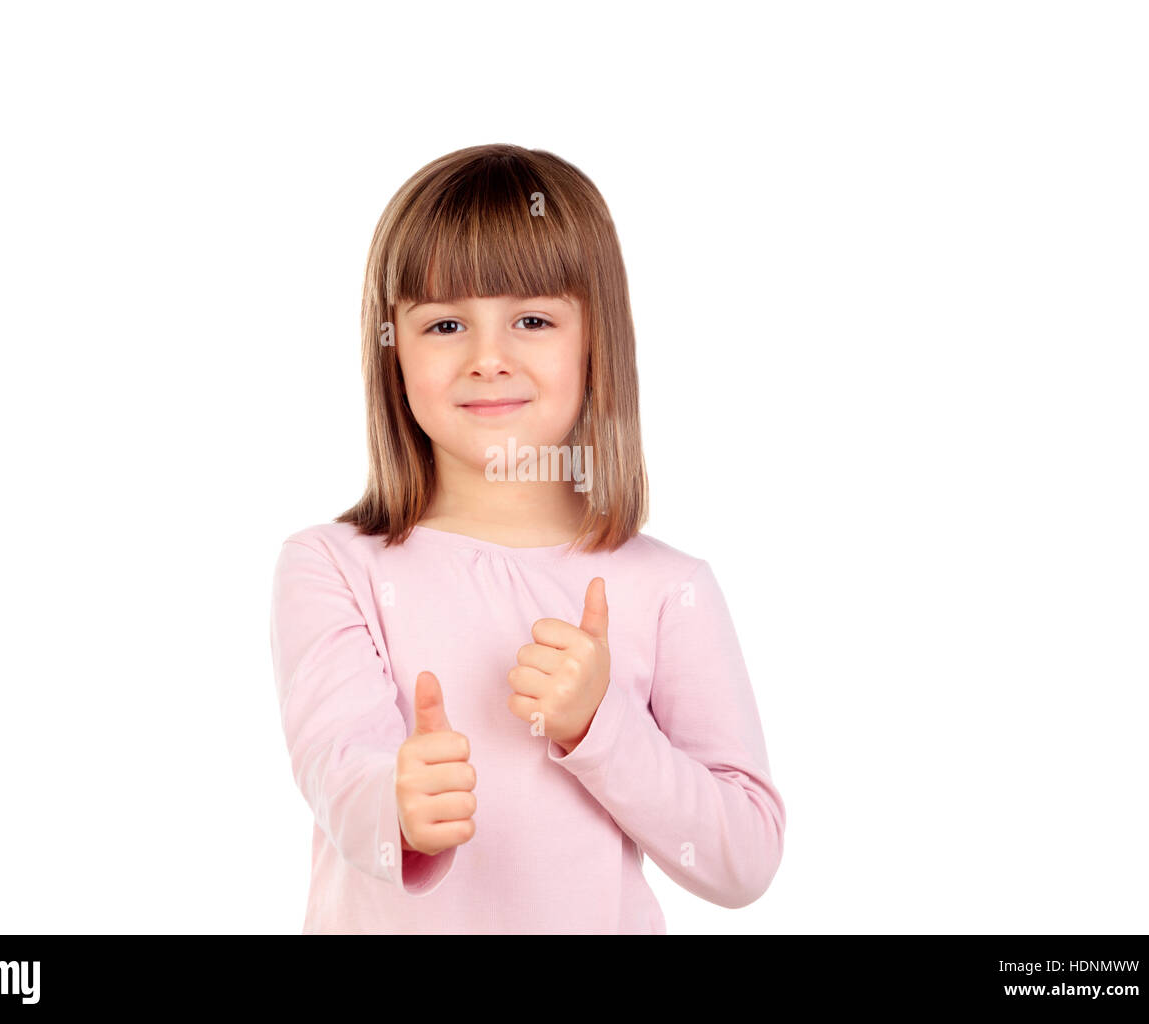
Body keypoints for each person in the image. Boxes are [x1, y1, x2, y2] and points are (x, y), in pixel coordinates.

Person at [268, 143, 786, 933]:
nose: (487, 359)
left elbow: (743, 858)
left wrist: (597, 726)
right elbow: (338, 766)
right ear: (393, 351)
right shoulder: (332, 567)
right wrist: (397, 803)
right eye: (444, 323)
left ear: (594, 340)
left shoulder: (668, 588)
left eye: (533, 319)